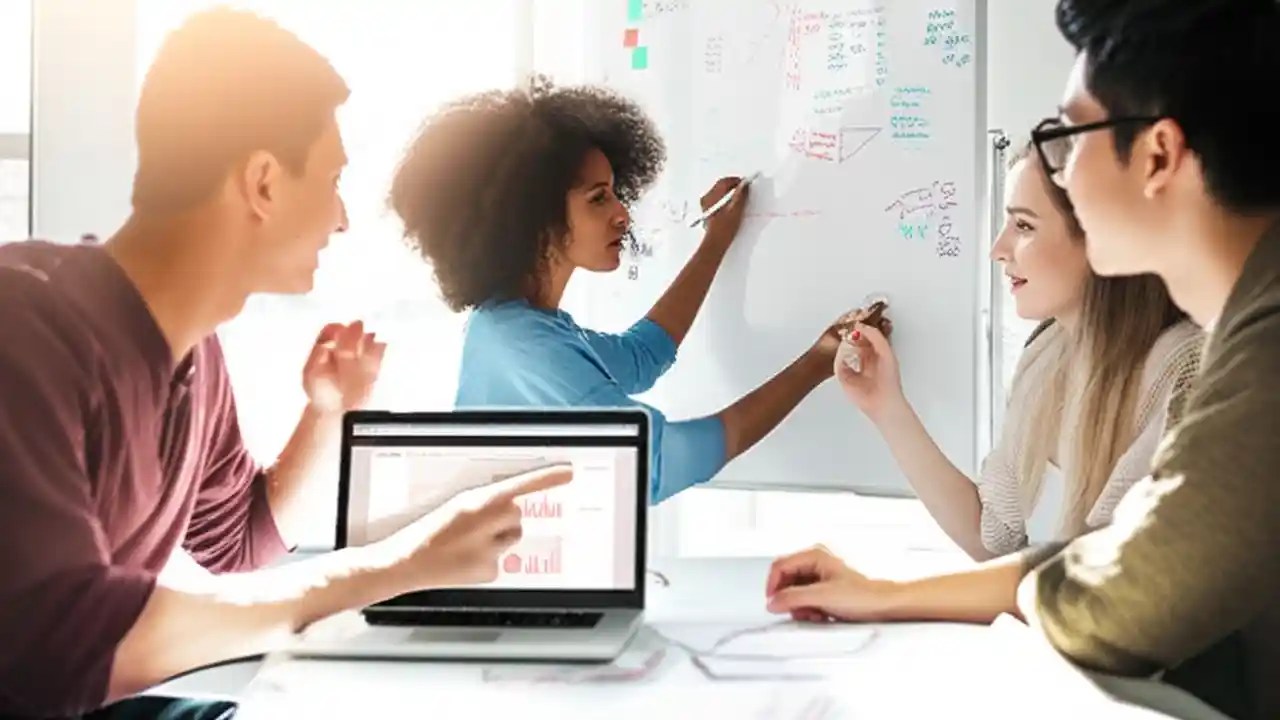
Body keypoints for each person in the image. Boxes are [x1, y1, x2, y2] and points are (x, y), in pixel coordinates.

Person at [0, 10, 569, 718]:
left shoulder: (194, 356)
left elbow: (241, 541)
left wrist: (327, 413)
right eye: (332, 178)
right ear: (263, 183)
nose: (342, 219)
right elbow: (69, 643)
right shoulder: (24, 326)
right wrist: (400, 565)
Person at [764, 0, 1280, 717]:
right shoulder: (1225, 333)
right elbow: (1079, 557)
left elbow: (1131, 590)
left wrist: (891, 599)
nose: (1061, 169)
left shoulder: (1238, 355)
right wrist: (885, 594)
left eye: (1069, 137)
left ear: (1158, 155)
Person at [389, 78, 868, 504]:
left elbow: (642, 356)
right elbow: (658, 465)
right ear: (533, 220)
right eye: (599, 198)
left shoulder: (514, 325)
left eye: (616, 193)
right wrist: (815, 364)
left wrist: (716, 240)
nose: (622, 214)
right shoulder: (524, 347)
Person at [835, 142, 1201, 559]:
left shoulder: (1184, 369)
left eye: (1024, 226)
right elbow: (992, 538)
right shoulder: (1045, 355)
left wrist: (883, 598)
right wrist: (885, 405)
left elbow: (1107, 577)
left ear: (1101, 237)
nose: (998, 250)